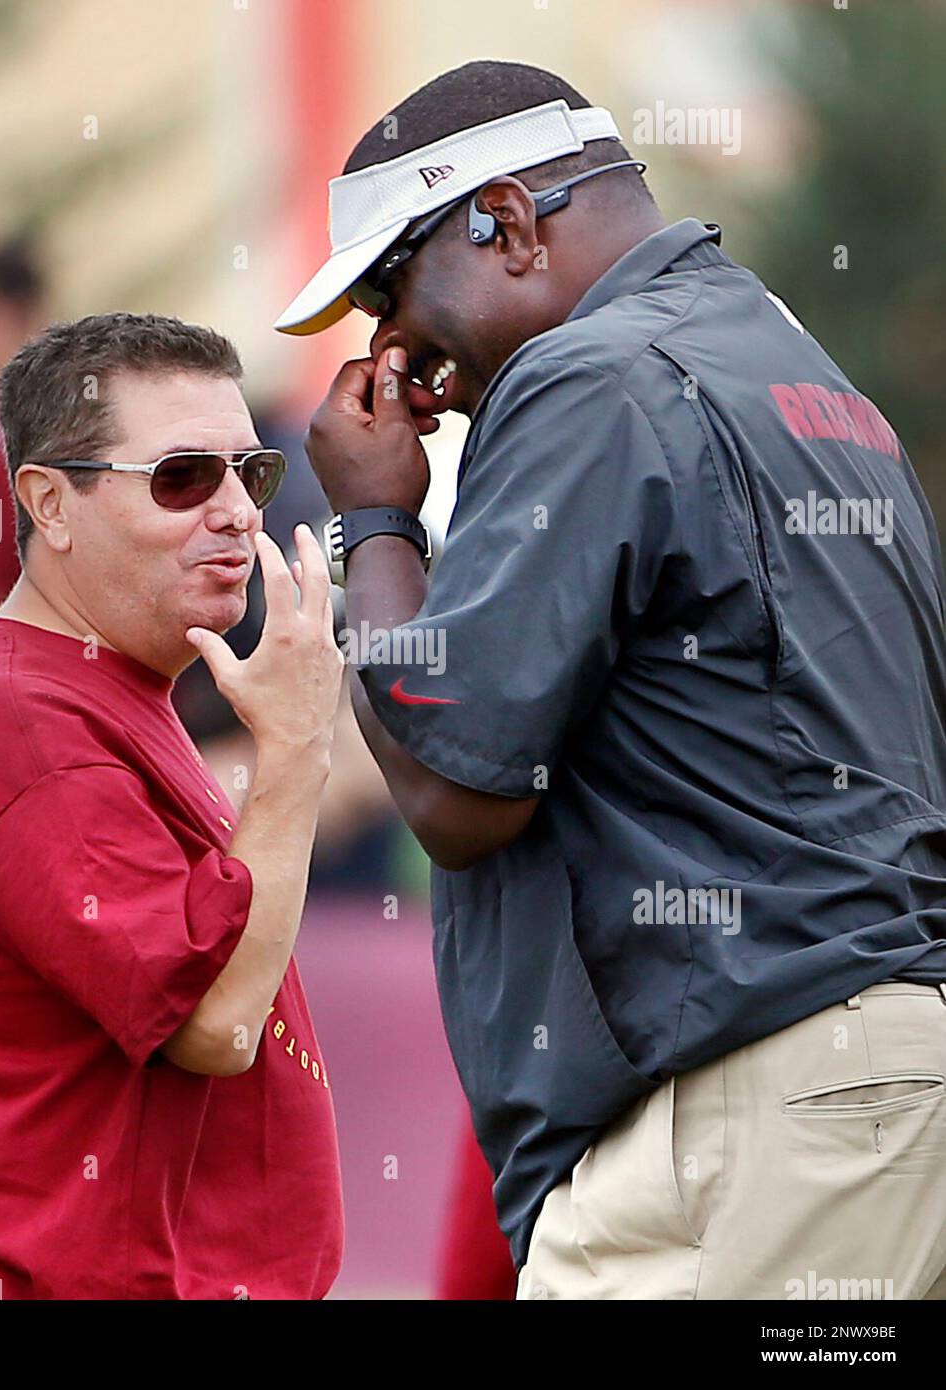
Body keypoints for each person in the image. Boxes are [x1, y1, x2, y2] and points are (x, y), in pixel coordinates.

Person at [277, 60, 946, 1299]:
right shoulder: (809, 383)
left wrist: (370, 521)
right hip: (863, 1078)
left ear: (510, 224)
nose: (393, 353)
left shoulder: (589, 377)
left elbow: (453, 789)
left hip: (750, 1104)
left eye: (393, 290)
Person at [0, 311, 345, 1299]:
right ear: (47, 503)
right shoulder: (22, 719)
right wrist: (294, 747)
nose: (234, 512)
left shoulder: (97, 688)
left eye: (247, 473)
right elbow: (214, 1027)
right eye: (180, 478)